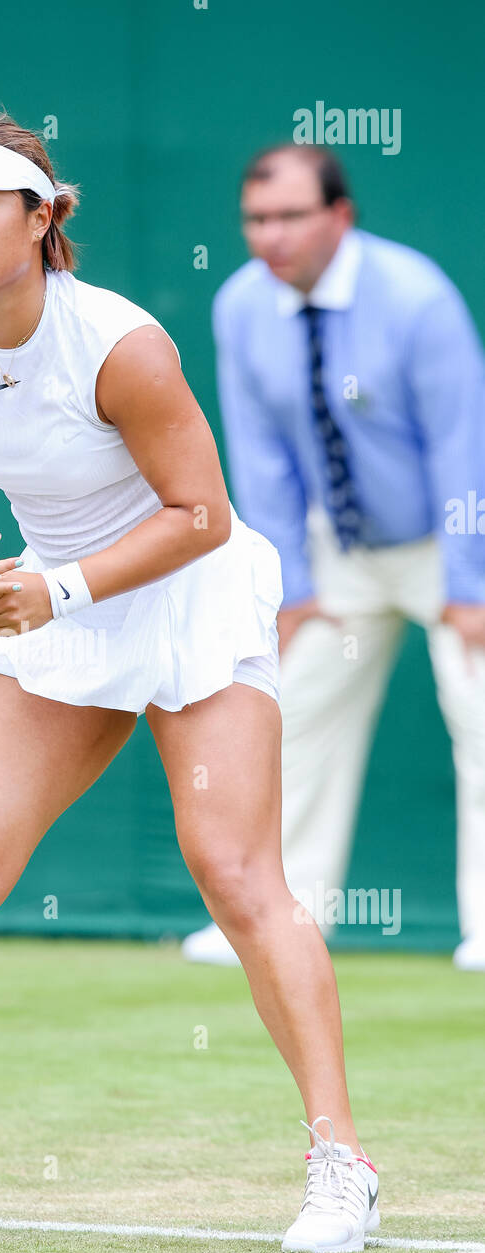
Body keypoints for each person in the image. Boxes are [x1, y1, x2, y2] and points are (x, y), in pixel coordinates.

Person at [0, 114, 379, 1253]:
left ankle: (338, 1163)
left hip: (181, 593)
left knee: (235, 868)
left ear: (42, 218)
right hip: (50, 612)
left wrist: (54, 590)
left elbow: (200, 514)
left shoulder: (119, 345)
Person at [183, 144, 485, 972]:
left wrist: (469, 585)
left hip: (449, 539)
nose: (269, 236)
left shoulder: (416, 297)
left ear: (340, 217)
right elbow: (260, 453)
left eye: (289, 217)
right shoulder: (241, 306)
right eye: (255, 220)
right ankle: (273, 920)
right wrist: (291, 582)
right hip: (338, 549)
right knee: (292, 716)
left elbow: (466, 445)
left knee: (481, 714)